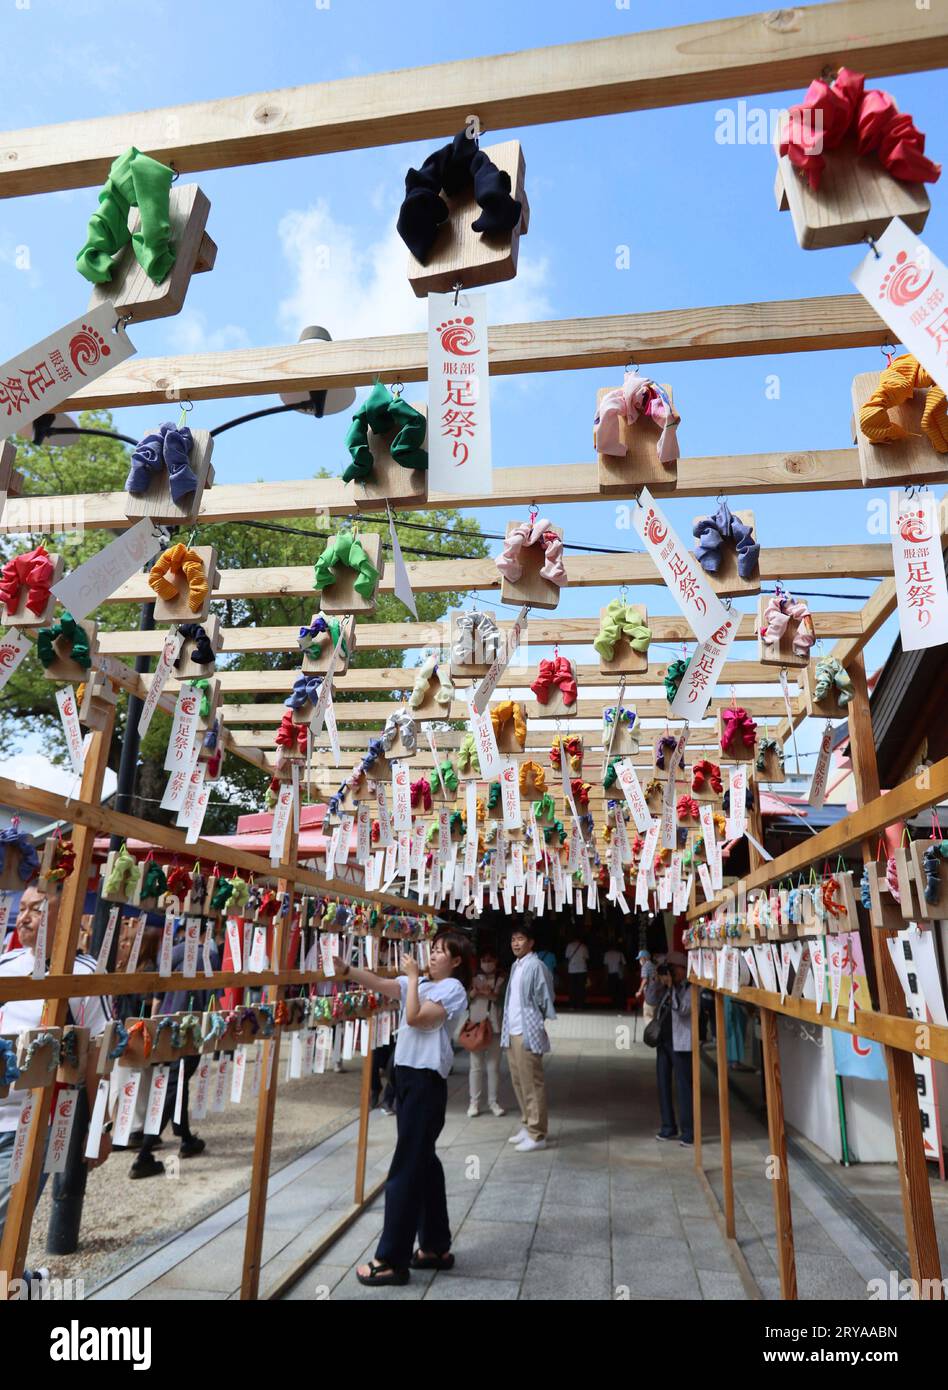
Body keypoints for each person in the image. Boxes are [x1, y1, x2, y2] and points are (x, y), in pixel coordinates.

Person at [333, 931, 472, 1287]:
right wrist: (348, 970)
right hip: (408, 1078)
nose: (435, 956)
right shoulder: (422, 982)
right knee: (423, 1162)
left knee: (406, 1167)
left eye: (442, 952)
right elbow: (381, 983)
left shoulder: (452, 989)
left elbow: (415, 1018)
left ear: (456, 961)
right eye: (435, 950)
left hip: (427, 1084)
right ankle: (435, 1246)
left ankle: (392, 1259)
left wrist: (412, 980)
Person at [0, 886, 112, 1286]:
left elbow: (98, 1057)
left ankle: (22, 1283)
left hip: (35, 1123)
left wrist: (99, 1127)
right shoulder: (5, 964)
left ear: (62, 917)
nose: (23, 917)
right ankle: (27, 1283)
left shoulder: (84, 973)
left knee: (7, 1222)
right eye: (21, 908)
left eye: (36, 909)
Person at [128, 928, 221, 1179]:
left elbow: (158, 997)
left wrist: (153, 1026)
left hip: (166, 1025)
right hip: (191, 1028)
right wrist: (219, 1030)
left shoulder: (171, 953)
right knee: (173, 1085)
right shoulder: (210, 957)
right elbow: (214, 999)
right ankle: (145, 1152)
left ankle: (186, 1137)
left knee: (176, 1082)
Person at [501, 925, 556, 1152]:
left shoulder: (536, 966)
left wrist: (535, 1018)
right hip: (511, 1029)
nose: (516, 943)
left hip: (527, 1030)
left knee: (532, 1083)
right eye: (513, 939)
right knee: (518, 1081)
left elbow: (546, 997)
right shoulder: (516, 965)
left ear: (531, 942)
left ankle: (537, 1134)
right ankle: (528, 1123)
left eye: (520, 939)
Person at [645, 951, 693, 1147]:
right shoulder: (665, 985)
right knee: (663, 1085)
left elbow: (683, 1009)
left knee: (684, 1088)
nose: (671, 972)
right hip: (663, 1042)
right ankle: (668, 1126)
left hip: (681, 1043)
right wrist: (657, 981)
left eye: (673, 969)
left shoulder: (691, 988)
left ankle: (689, 1132)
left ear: (683, 969)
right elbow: (650, 999)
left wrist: (673, 988)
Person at [467, 946, 505, 1118]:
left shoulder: (502, 977)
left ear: (496, 961)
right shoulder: (472, 977)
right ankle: (474, 1103)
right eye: (484, 960)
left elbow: (499, 997)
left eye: (490, 960)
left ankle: (493, 1102)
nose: (487, 963)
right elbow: (466, 998)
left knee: (493, 1067)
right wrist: (481, 992)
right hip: (475, 1025)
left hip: (495, 1026)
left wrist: (481, 992)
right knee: (475, 1066)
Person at [564, 933, 589, 1010]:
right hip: (582, 969)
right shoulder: (584, 946)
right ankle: (580, 1005)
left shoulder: (569, 945)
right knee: (581, 988)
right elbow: (587, 957)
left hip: (572, 969)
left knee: (572, 988)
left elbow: (567, 956)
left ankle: (572, 1005)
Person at [602, 940, 627, 1010]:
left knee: (612, 991)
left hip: (610, 974)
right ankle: (620, 1006)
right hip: (619, 975)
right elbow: (624, 965)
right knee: (619, 991)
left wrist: (605, 976)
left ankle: (613, 1005)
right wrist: (624, 975)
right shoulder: (620, 954)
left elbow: (606, 966)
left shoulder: (606, 954)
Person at [635, 949, 657, 1020]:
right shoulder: (653, 965)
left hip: (649, 994)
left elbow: (645, 979)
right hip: (656, 994)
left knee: (648, 1015)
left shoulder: (645, 966)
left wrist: (639, 991)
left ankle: (650, 1030)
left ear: (645, 958)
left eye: (640, 958)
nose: (640, 960)